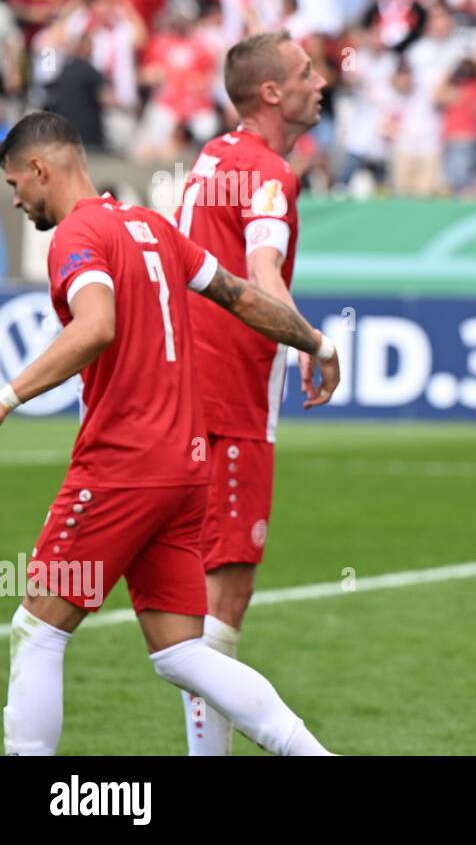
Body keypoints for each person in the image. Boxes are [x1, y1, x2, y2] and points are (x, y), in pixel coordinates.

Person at [0, 111, 339, 756]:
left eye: (16, 185)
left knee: (38, 629)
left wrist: (10, 395)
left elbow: (94, 325)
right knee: (182, 650)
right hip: (185, 470)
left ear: (41, 169)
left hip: (122, 466)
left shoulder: (77, 235)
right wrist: (317, 340)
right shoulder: (151, 226)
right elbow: (239, 295)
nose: (16, 200)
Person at [173, 30, 329, 755]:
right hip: (232, 403)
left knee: (188, 602)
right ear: (272, 93)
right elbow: (263, 277)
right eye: (306, 73)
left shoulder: (210, 159)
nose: (321, 80)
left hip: (182, 391)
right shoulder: (270, 172)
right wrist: (315, 342)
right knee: (220, 606)